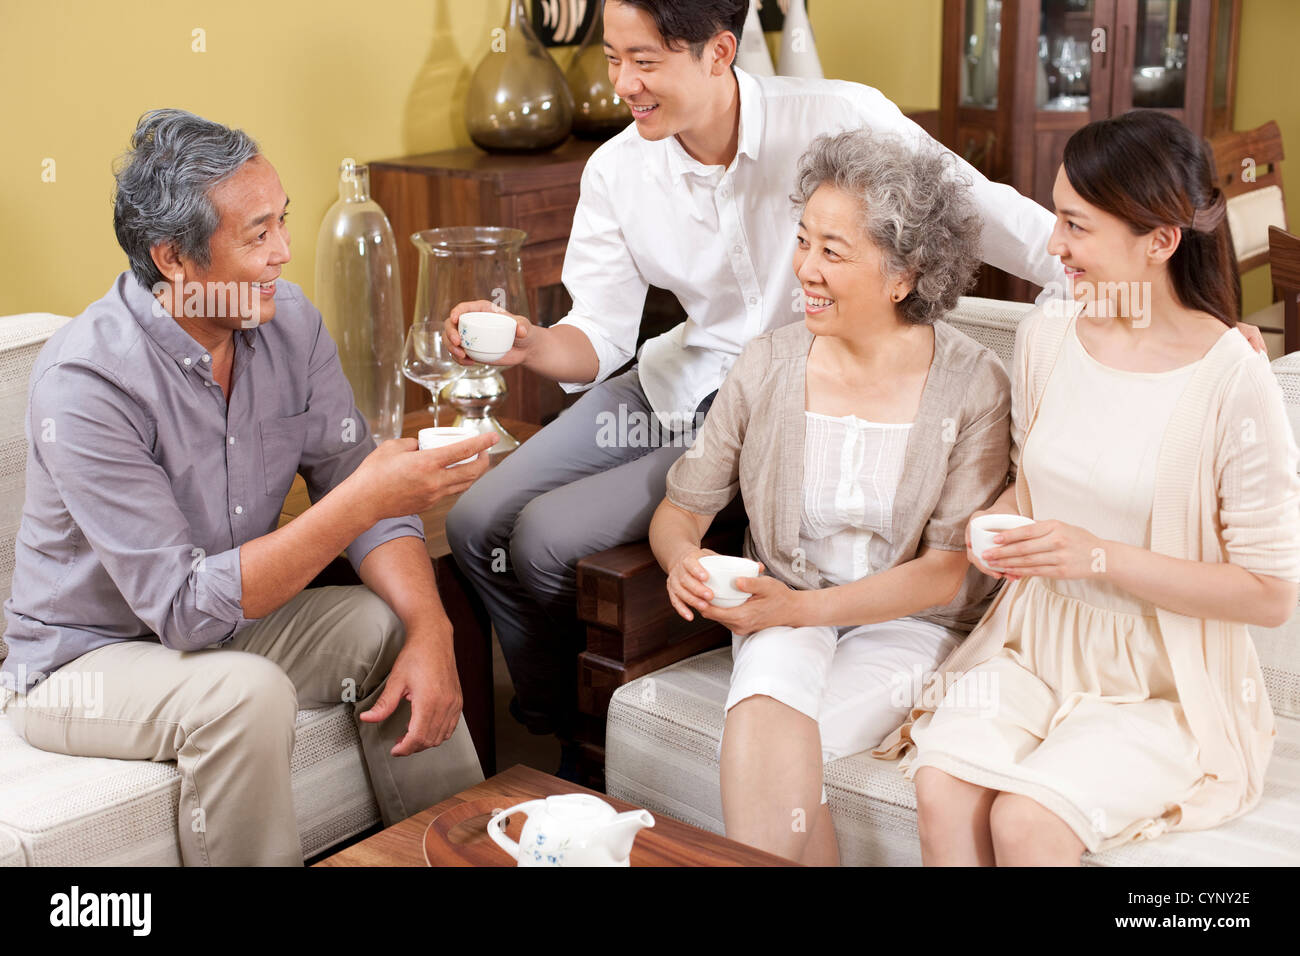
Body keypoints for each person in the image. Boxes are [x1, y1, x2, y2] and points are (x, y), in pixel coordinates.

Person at [440, 0, 1067, 759]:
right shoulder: (618, 169)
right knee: (474, 522)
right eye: (612, 58)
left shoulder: (837, 116)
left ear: (718, 51)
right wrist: (531, 345)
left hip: (767, 402)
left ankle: (573, 739)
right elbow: (598, 336)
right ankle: (545, 708)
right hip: (670, 381)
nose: (622, 85)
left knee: (542, 538)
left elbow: (983, 210)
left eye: (645, 61)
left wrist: (1128, 292)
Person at [0, 109, 497, 866]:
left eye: (283, 223)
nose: (285, 254)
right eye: (257, 234)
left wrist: (432, 630)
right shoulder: (88, 382)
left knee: (391, 620)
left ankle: (461, 858)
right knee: (243, 693)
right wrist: (363, 496)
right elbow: (184, 610)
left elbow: (366, 502)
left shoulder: (288, 326)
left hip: (227, 621)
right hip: (82, 665)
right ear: (174, 258)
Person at [873, 109, 1300, 866]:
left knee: (1028, 824)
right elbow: (1030, 493)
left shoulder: (1231, 379)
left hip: (1164, 679)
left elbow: (1269, 593)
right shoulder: (1049, 337)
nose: (1053, 245)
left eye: (1076, 225)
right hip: (1031, 645)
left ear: (1160, 242)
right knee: (940, 785)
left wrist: (1098, 557)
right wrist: (994, 525)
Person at [647, 128, 1012, 865]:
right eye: (803, 240)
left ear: (904, 275)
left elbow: (947, 572)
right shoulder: (769, 362)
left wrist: (798, 611)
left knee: (780, 736)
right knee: (765, 708)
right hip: (785, 604)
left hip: (910, 622)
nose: (804, 268)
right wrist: (681, 557)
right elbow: (681, 508)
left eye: (833, 251)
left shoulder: (974, 383)